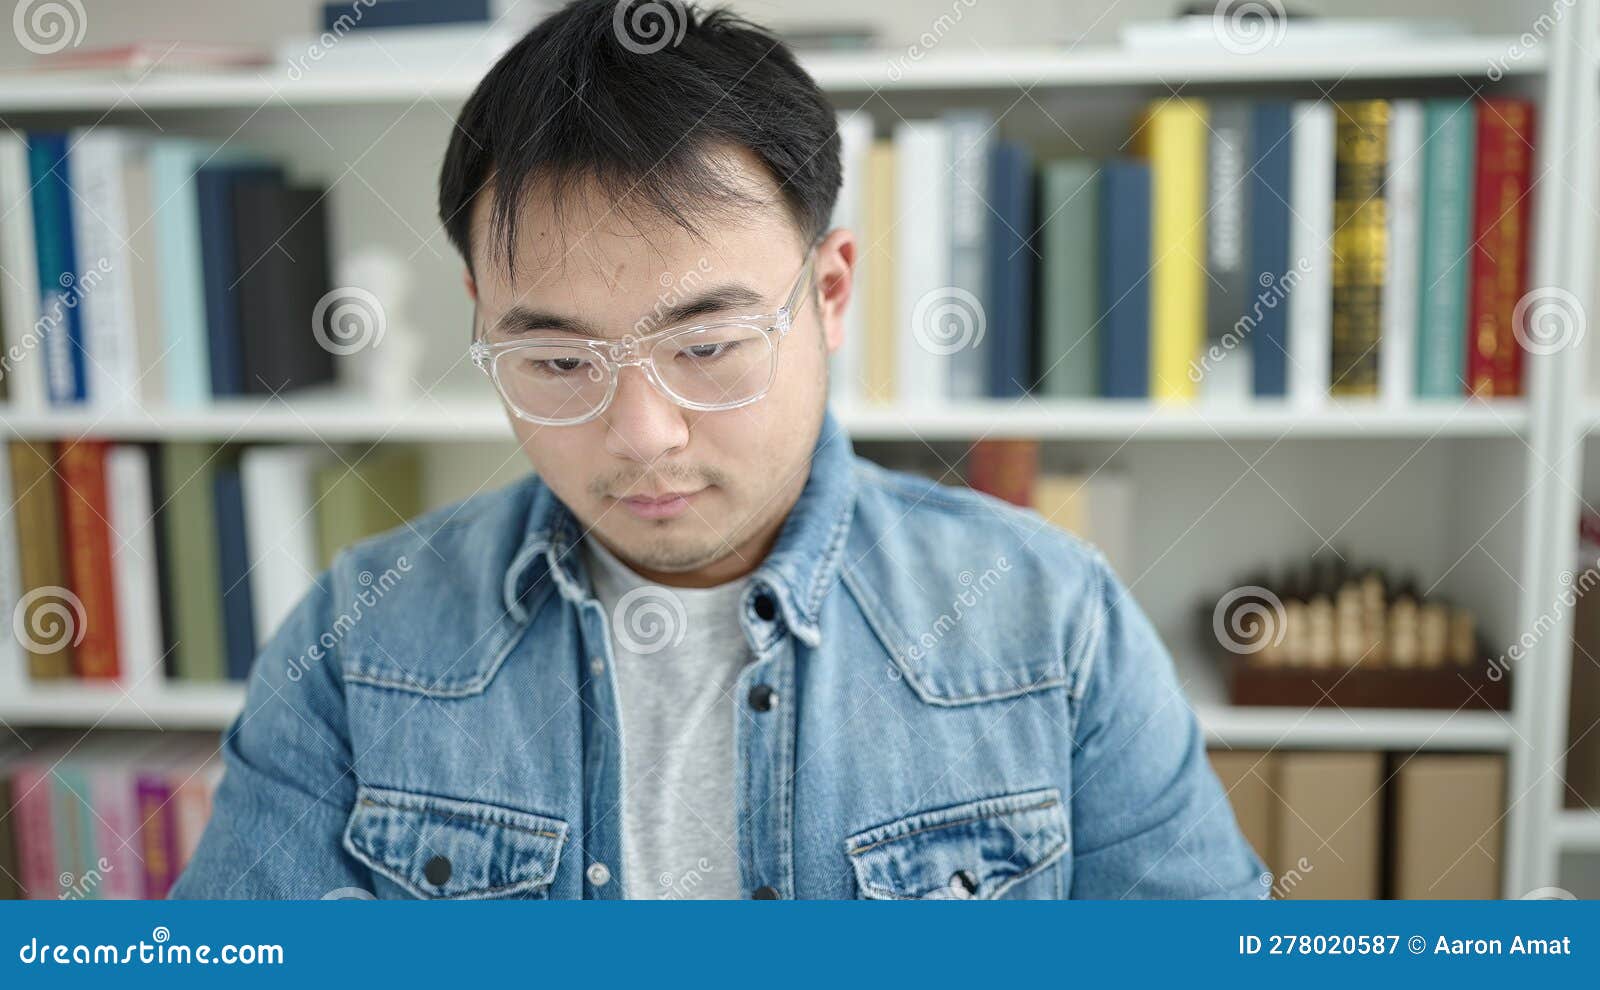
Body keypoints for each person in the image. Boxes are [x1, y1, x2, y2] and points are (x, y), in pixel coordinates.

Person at [172, 0, 1268, 900]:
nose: (643, 434)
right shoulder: (355, 641)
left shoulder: (1052, 620)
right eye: (557, 363)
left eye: (707, 345)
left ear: (829, 292)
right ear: (480, 317)